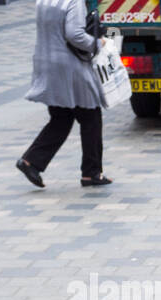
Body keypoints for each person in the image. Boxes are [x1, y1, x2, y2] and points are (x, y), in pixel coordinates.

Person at [18, 0, 112, 189]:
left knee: (61, 117)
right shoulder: (74, 2)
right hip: (70, 67)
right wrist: (98, 43)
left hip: (47, 61)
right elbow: (74, 35)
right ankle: (91, 173)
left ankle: (31, 161)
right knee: (91, 116)